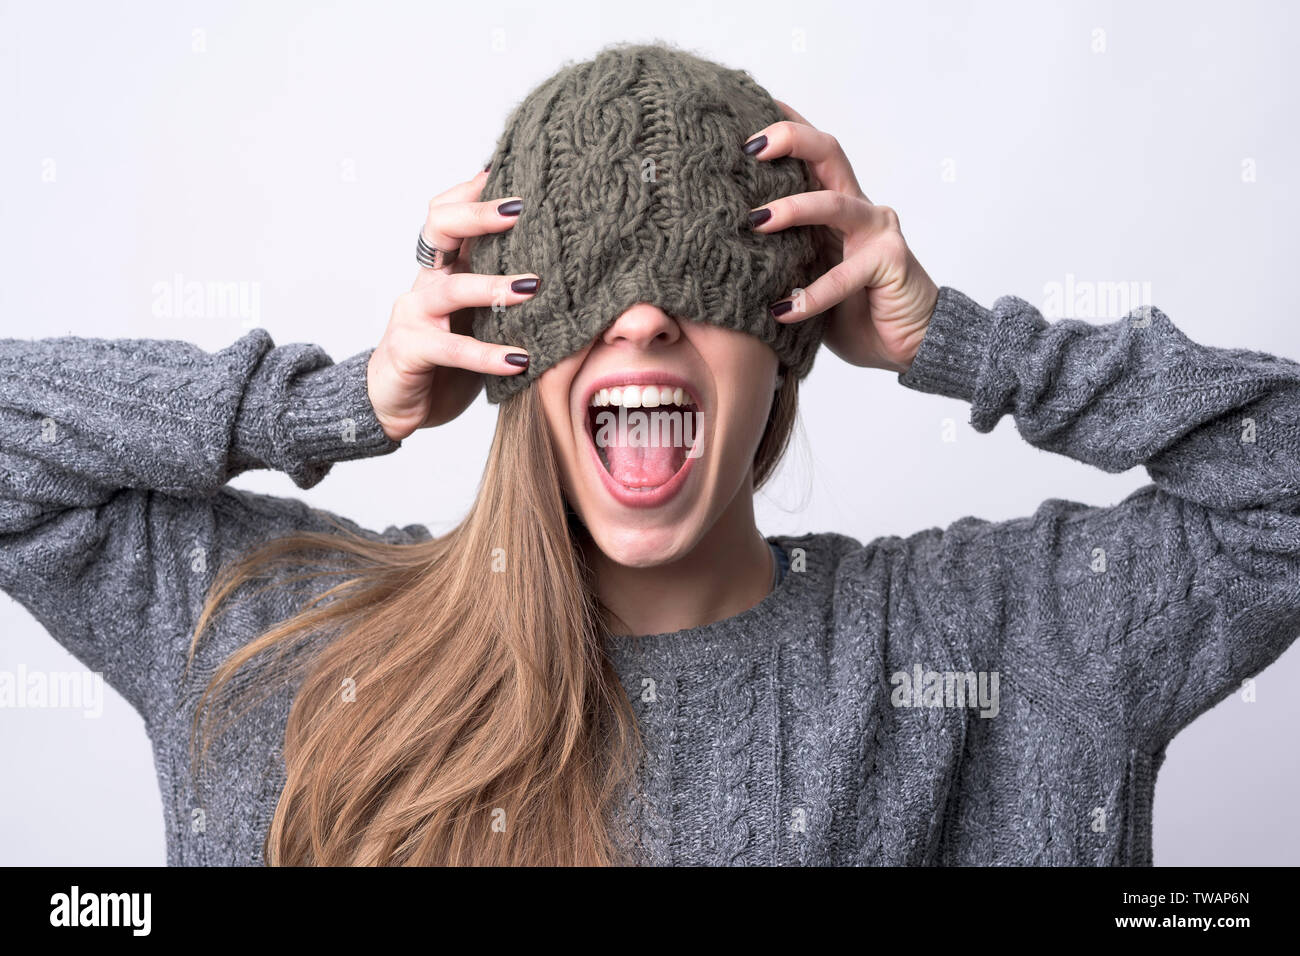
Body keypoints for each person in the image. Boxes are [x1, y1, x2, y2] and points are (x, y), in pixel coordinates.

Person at [3, 41, 1298, 866]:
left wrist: (965, 344)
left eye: (700, 271)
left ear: (793, 327)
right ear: (498, 329)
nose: (639, 316)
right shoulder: (289, 649)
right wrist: (336, 403)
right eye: (580, 281)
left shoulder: (996, 648)